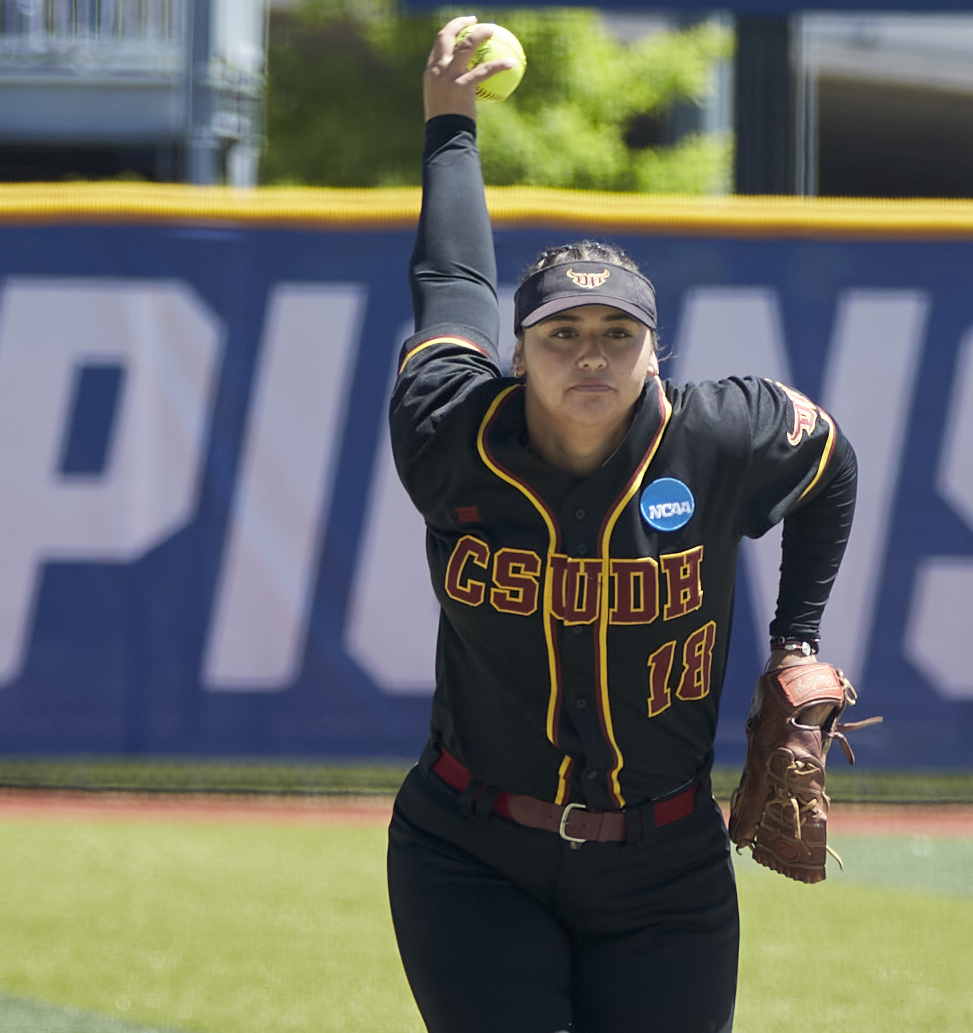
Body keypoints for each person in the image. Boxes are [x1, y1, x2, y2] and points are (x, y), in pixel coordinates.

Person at [385, 17, 858, 1033]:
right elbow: (452, 281)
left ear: (654, 354)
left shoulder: (719, 437)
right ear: (521, 354)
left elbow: (831, 465)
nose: (588, 355)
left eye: (616, 334)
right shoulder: (449, 432)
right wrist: (450, 125)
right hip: (472, 851)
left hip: (665, 868)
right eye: (561, 334)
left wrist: (797, 640)